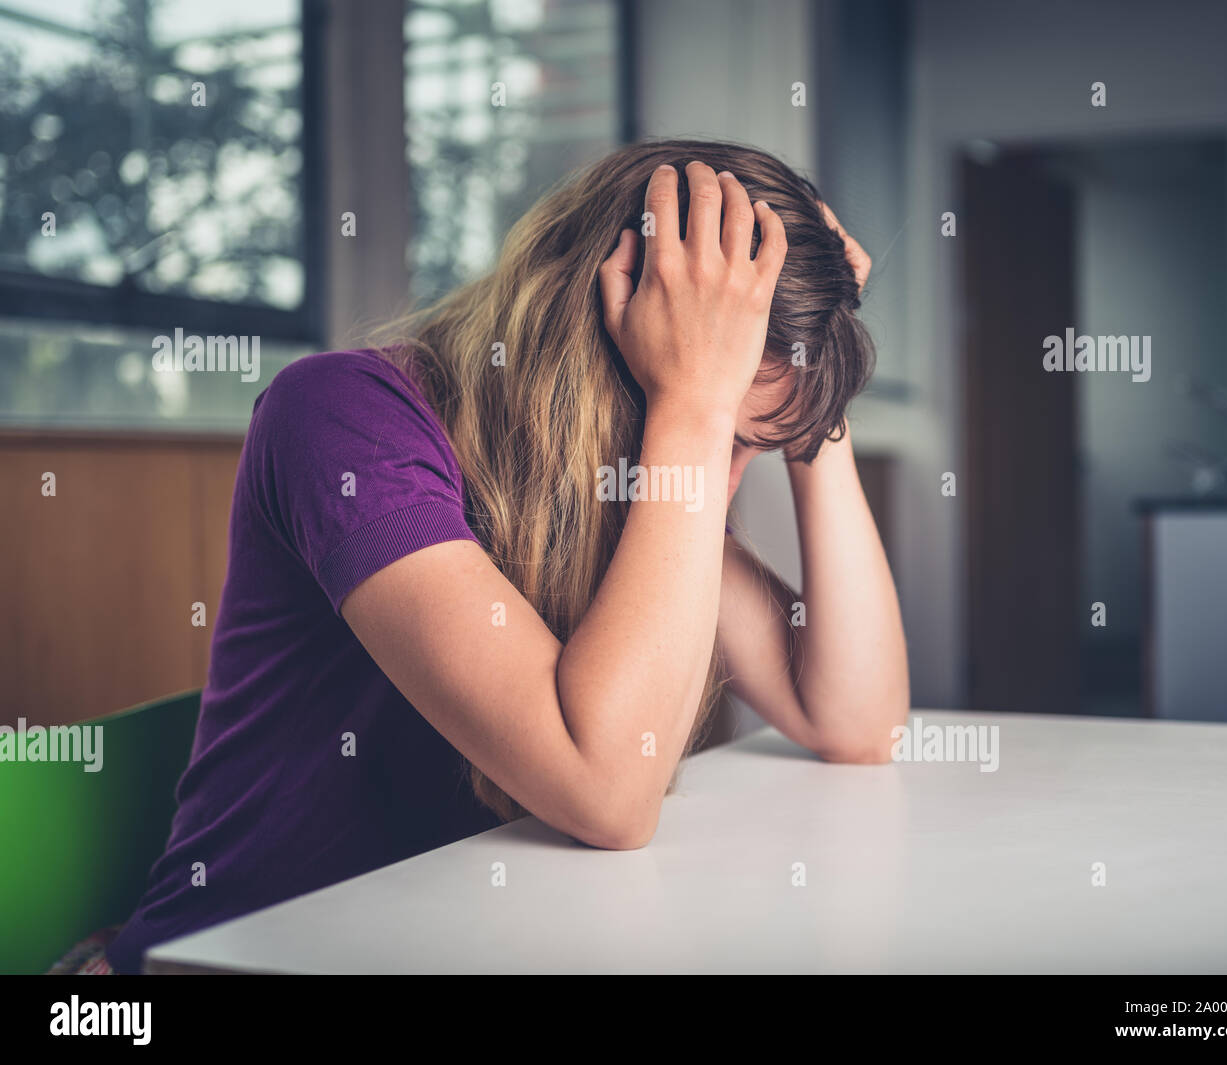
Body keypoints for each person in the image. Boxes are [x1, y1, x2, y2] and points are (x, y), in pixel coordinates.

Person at [94, 139, 908, 975]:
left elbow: (857, 718)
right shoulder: (341, 417)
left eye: (751, 447)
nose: (720, 479)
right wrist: (695, 407)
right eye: (724, 435)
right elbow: (610, 793)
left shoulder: (608, 492)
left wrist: (816, 392)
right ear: (611, 340)